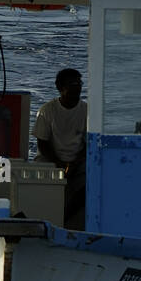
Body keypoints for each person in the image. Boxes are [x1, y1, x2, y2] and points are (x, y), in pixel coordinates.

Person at [34, 69, 86, 229]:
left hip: (77, 161)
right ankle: (41, 217)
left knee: (90, 181)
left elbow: (89, 143)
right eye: (72, 84)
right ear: (60, 87)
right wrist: (59, 163)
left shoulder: (87, 111)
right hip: (50, 160)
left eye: (79, 83)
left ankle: (65, 220)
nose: (77, 87)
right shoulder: (46, 111)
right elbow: (42, 143)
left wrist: (75, 163)